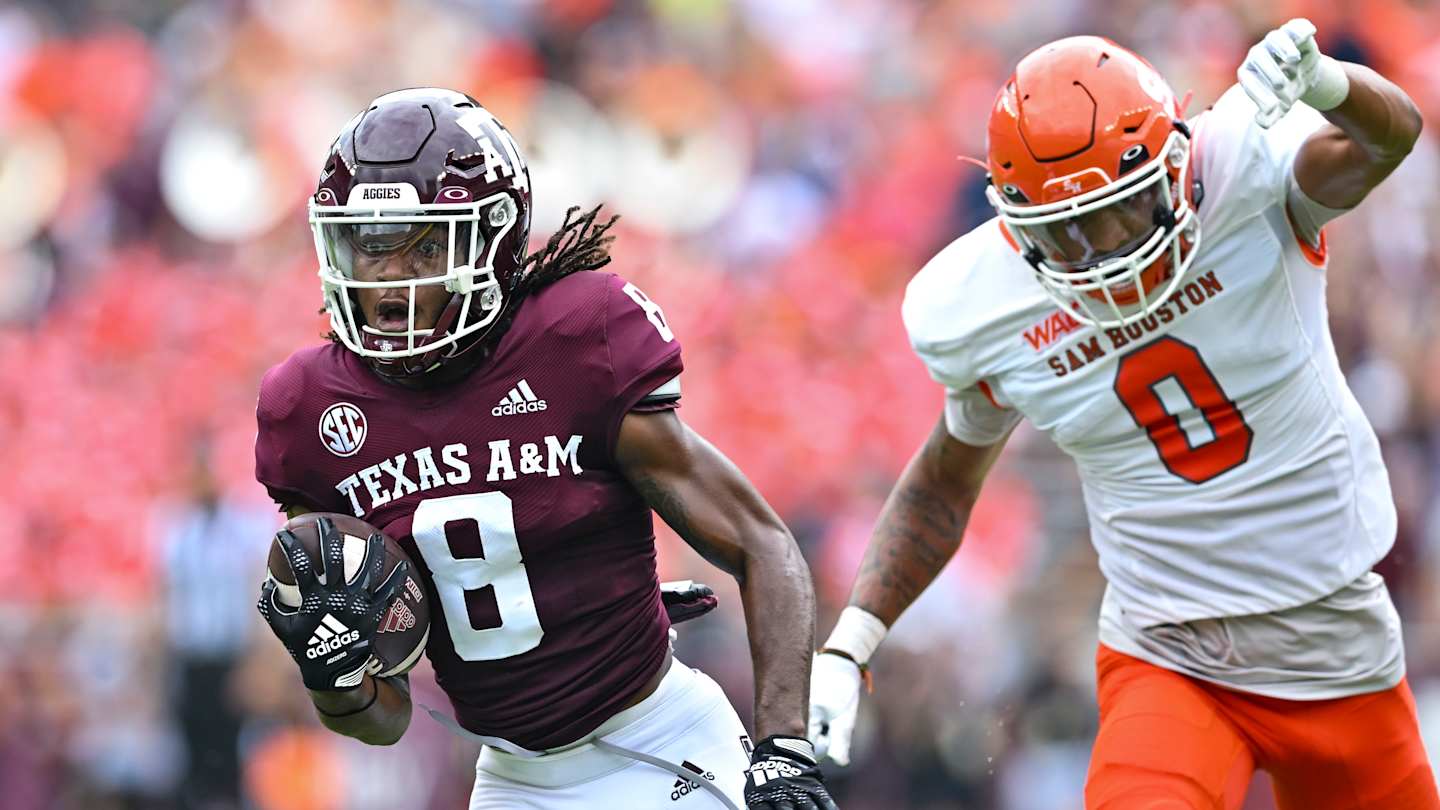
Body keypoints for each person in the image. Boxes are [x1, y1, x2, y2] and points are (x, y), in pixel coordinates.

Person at [808, 20, 1433, 810]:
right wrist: (850, 642)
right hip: (1170, 657)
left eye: (1124, 210)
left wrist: (1328, 83)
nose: (1107, 251)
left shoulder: (1240, 168)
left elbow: (1391, 137)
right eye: (1066, 233)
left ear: (1178, 161)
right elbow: (943, 479)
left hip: (1333, 636)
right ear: (1013, 226)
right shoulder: (981, 306)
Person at [251, 87, 836, 810]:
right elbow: (385, 718)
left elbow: (760, 541)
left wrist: (783, 747)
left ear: (492, 239)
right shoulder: (310, 410)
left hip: (663, 738)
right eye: (370, 246)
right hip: (516, 780)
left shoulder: (576, 337)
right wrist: (332, 673)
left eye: (425, 245)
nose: (390, 278)